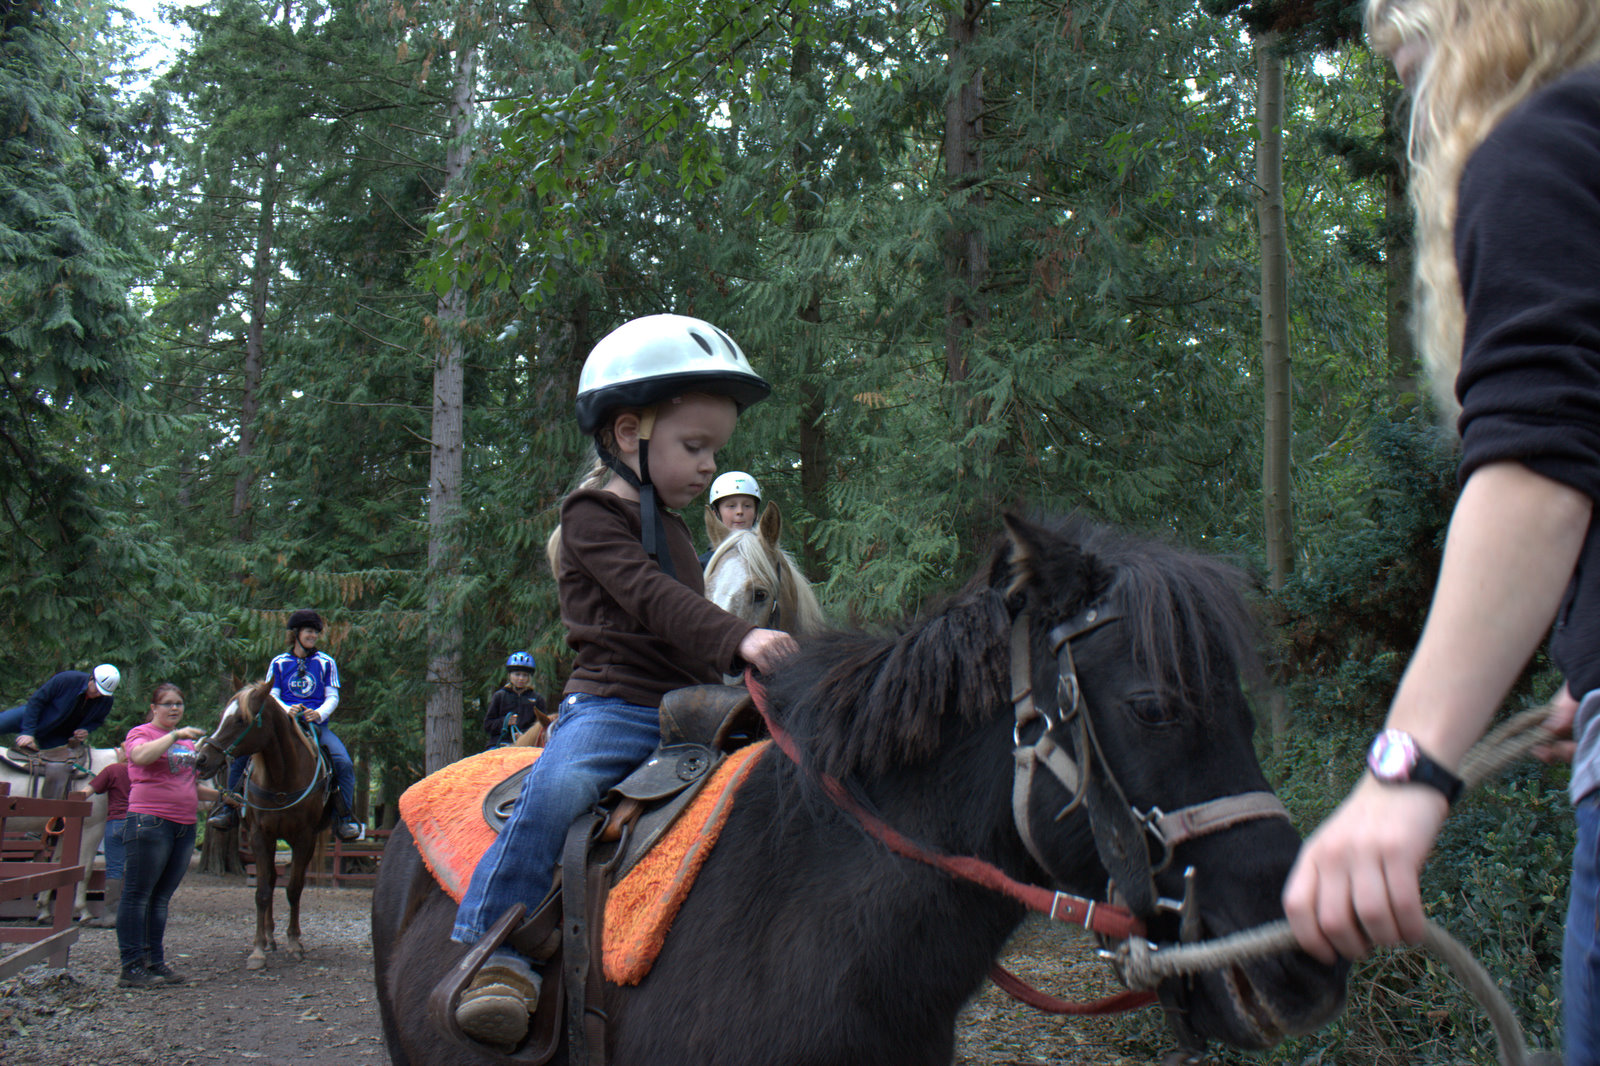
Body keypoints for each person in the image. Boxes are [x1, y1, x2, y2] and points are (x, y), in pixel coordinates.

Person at [1282, 4, 1600, 1064]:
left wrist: (1402, 768)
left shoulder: (1544, 142)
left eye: (1413, 68)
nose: (1413, 106)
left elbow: (1540, 468)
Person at [450, 313, 800, 1049]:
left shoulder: (672, 522)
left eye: (715, 451)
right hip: (614, 703)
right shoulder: (590, 515)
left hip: (689, 707)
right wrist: (740, 636)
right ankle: (497, 946)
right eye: (694, 446)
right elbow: (651, 598)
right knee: (560, 788)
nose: (708, 467)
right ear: (628, 433)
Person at [208, 609, 363, 842]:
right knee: (243, 755)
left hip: (315, 726)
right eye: (309, 631)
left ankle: (345, 818)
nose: (313, 636)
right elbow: (272, 694)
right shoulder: (279, 663)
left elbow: (333, 696)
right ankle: (228, 809)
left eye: (315, 632)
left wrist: (318, 713)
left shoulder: (326, 662)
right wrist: (285, 709)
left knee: (344, 763)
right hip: (283, 725)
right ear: (296, 633)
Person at [117, 683, 223, 988]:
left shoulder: (188, 746)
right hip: (149, 822)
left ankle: (155, 962)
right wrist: (174, 735)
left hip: (183, 825)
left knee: (160, 898)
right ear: (154, 708)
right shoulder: (143, 733)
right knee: (137, 895)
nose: (174, 708)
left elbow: (187, 786)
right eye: (167, 704)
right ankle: (131, 966)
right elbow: (138, 757)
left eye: (179, 703)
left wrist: (222, 797)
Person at [0, 664, 121, 750]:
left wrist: (86, 729)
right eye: (97, 690)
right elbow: (37, 701)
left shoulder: (106, 701)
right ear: (91, 679)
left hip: (58, 735)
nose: (98, 695)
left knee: (60, 766)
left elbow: (98, 721)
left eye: (102, 693)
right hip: (34, 716)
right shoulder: (67, 679)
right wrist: (27, 732)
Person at [85, 745, 131, 927]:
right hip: (141, 823)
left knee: (115, 868)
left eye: (120, 749)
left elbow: (86, 792)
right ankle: (133, 915)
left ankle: (110, 915)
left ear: (122, 753)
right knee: (136, 868)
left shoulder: (113, 769)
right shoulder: (145, 772)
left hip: (117, 823)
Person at [484, 652, 549, 749]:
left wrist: (525, 735)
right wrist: (505, 722)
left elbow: (542, 727)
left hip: (527, 746)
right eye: (517, 674)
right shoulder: (500, 696)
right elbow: (487, 725)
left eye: (525, 675)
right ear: (510, 675)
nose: (521, 678)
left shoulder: (537, 699)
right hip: (500, 743)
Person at [698, 470, 762, 567]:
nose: (740, 511)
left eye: (747, 506)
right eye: (731, 506)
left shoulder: (767, 561)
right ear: (715, 514)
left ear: (756, 514)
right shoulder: (703, 565)